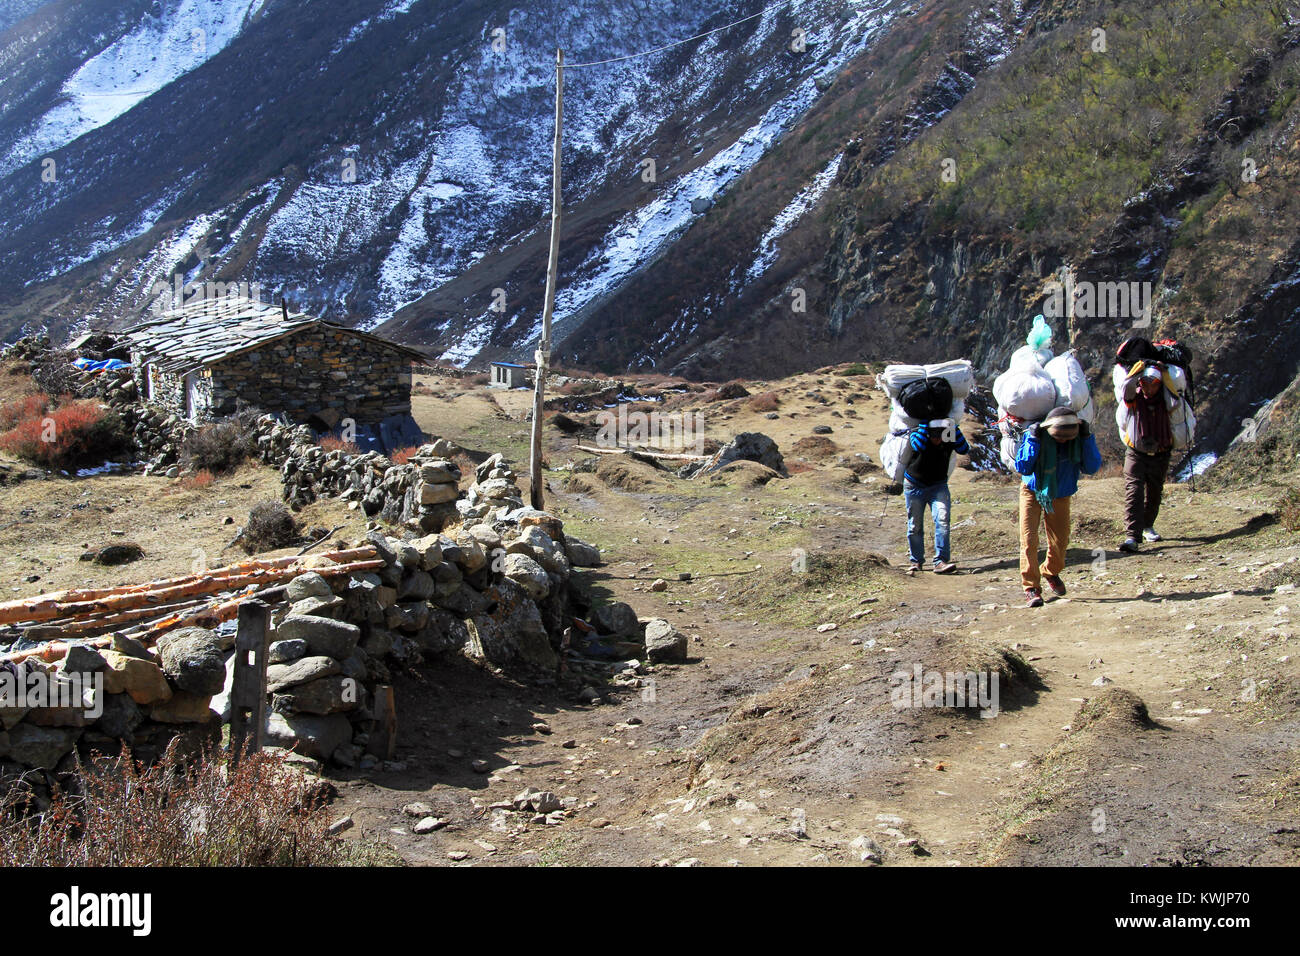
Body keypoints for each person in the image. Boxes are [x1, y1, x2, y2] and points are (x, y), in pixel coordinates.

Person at [1014, 406, 1102, 607]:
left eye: (1066, 438)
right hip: (1032, 491)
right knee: (1029, 539)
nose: (1062, 440)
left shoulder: (1079, 440)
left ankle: (1050, 571)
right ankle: (1031, 588)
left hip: (1061, 494)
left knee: (1060, 541)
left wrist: (1087, 439)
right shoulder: (1036, 436)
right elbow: (1022, 466)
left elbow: (1092, 467)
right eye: (1059, 437)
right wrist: (1034, 441)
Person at [1116, 362, 1174, 552]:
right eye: (1145, 383)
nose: (1149, 388)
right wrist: (1138, 368)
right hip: (1136, 452)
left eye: (1154, 384)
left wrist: (1164, 373)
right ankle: (1132, 536)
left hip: (1160, 452)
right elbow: (1126, 388)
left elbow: (1176, 398)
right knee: (1134, 491)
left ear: (1160, 384)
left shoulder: (1166, 400)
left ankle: (1148, 525)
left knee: (1155, 490)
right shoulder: (1134, 398)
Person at [903, 418, 970, 574]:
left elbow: (964, 448)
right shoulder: (918, 433)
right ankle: (916, 561)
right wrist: (924, 426)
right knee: (915, 525)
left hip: (938, 485)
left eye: (940, 435)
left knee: (942, 521)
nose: (938, 439)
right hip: (914, 485)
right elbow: (917, 446)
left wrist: (954, 428)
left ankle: (941, 561)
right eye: (934, 435)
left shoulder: (949, 434)